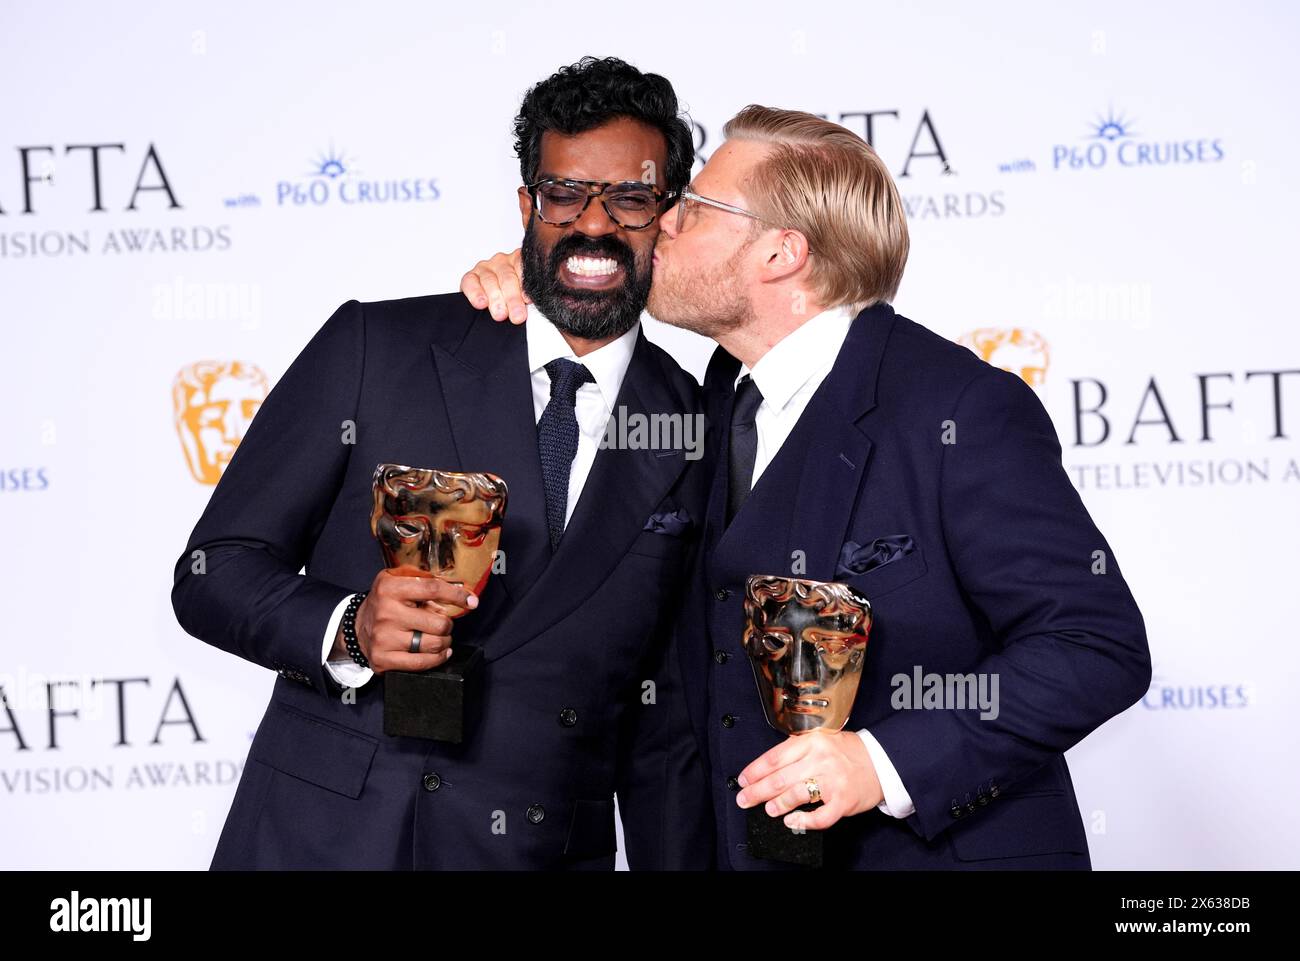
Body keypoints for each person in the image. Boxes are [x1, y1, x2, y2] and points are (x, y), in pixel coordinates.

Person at [461, 105, 1152, 869]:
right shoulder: (718, 395)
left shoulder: (957, 408)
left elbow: (1095, 644)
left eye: (692, 208)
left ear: (782, 253)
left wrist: (881, 763)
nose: (660, 224)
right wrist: (543, 286)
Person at [171, 57, 713, 870]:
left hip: (537, 850)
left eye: (630, 198)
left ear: (666, 217)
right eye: (565, 193)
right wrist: (350, 625)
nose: (594, 225)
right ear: (528, 205)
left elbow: (664, 725)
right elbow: (214, 572)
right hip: (331, 839)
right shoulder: (377, 348)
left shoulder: (690, 424)